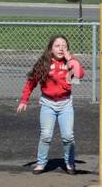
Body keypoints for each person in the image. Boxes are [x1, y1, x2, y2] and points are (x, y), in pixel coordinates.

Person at [16, 34, 84, 174]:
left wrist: (69, 58)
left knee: (68, 136)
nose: (61, 49)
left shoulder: (70, 62)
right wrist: (24, 100)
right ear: (50, 48)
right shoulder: (44, 63)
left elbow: (79, 75)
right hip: (48, 104)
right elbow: (31, 81)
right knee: (46, 135)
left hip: (65, 104)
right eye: (57, 46)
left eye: (64, 46)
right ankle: (41, 163)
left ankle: (70, 163)